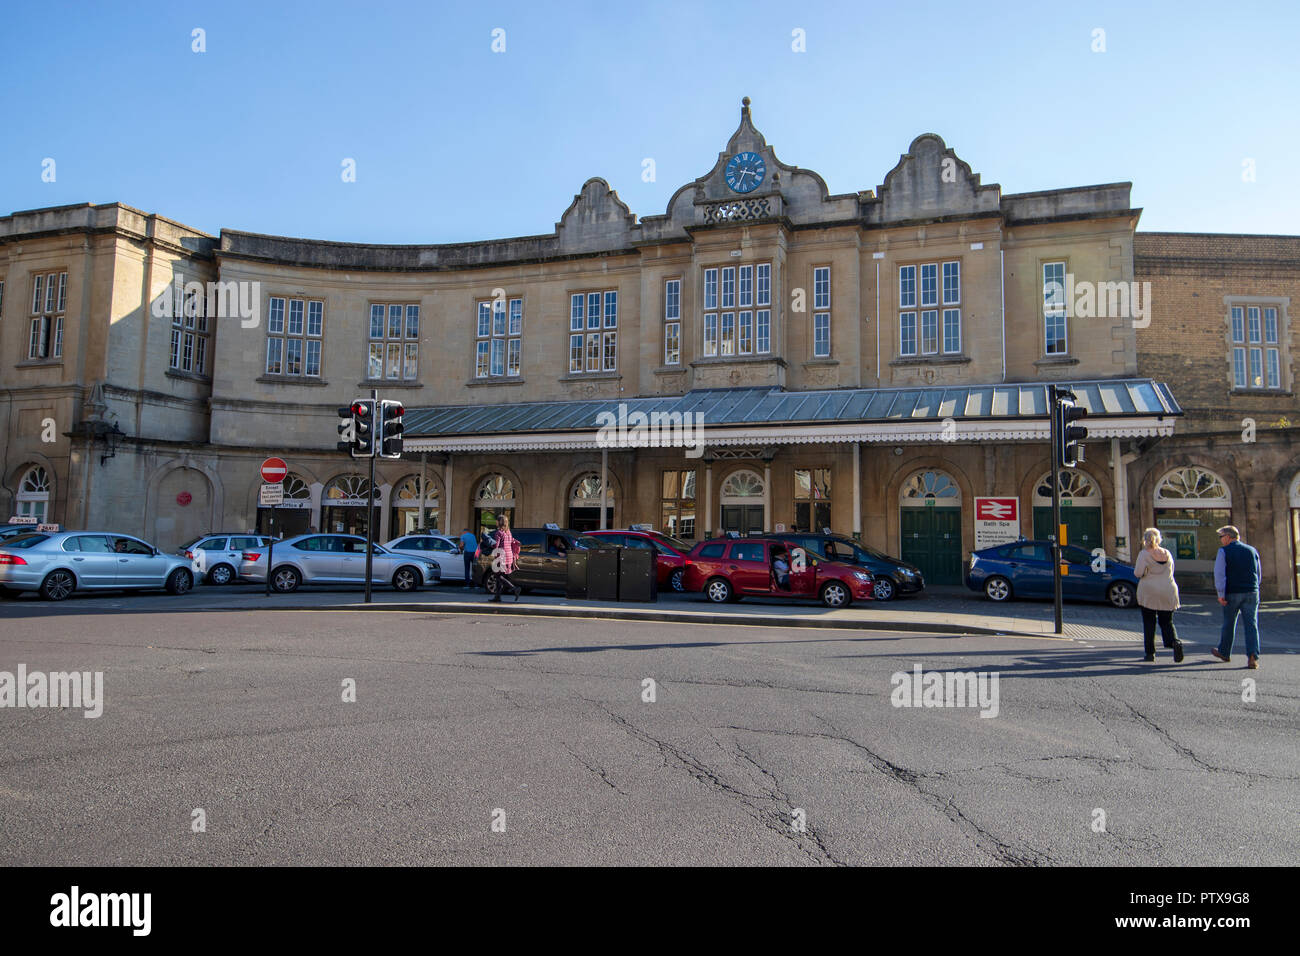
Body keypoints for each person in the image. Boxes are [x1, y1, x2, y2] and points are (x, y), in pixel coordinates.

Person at [1212, 525, 1262, 669]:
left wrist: (1220, 594)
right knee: (1251, 625)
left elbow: (1220, 574)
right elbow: (1258, 573)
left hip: (1232, 592)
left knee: (1229, 623)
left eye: (1221, 537)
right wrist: (1255, 587)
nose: (1220, 540)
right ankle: (1253, 656)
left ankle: (1224, 652)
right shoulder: (1252, 550)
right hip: (1252, 591)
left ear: (1228, 537)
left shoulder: (1224, 551)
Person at [1133, 528, 1183, 663]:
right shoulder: (1167, 553)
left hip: (1150, 591)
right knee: (1167, 621)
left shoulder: (1144, 554)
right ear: (1159, 539)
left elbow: (1138, 573)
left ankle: (1150, 653)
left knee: (1149, 623)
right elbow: (1171, 571)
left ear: (1145, 540)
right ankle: (1174, 642)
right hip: (1168, 589)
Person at [488, 515, 521, 602]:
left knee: (497, 576)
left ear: (500, 522)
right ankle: (497, 597)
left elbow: (496, 546)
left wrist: (488, 544)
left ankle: (514, 589)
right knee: (501, 576)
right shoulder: (508, 532)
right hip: (509, 557)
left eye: (497, 521)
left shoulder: (499, 533)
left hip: (502, 557)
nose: (496, 522)